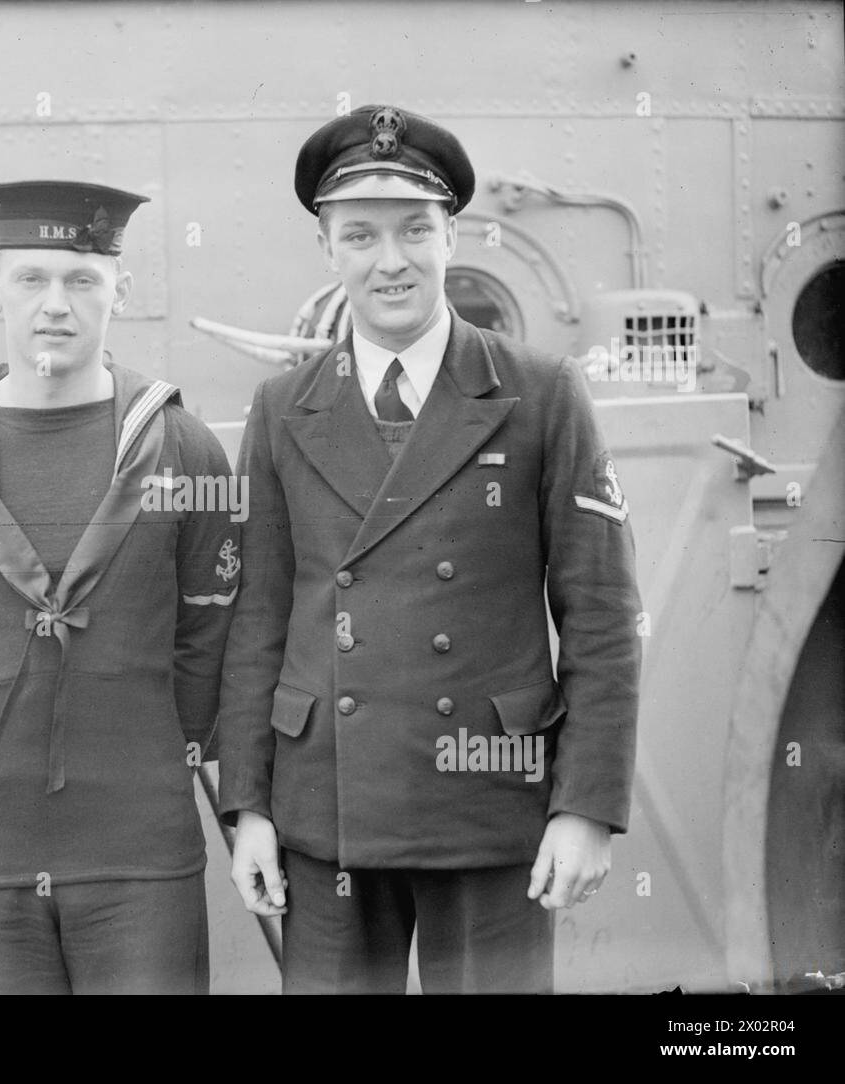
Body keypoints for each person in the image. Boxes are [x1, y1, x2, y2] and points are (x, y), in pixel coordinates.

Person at [217, 105, 642, 994]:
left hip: (490, 805)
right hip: (326, 810)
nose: (391, 260)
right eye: (360, 235)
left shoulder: (541, 394)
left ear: (453, 235)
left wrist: (587, 808)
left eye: (416, 230)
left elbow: (601, 618)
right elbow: (257, 621)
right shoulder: (282, 409)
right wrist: (249, 806)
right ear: (327, 248)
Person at [0, 180, 241, 994]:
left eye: (82, 280)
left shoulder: (183, 448)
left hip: (138, 847)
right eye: (31, 278)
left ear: (121, 293)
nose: (55, 304)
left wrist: (139, 741)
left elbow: (211, 631)